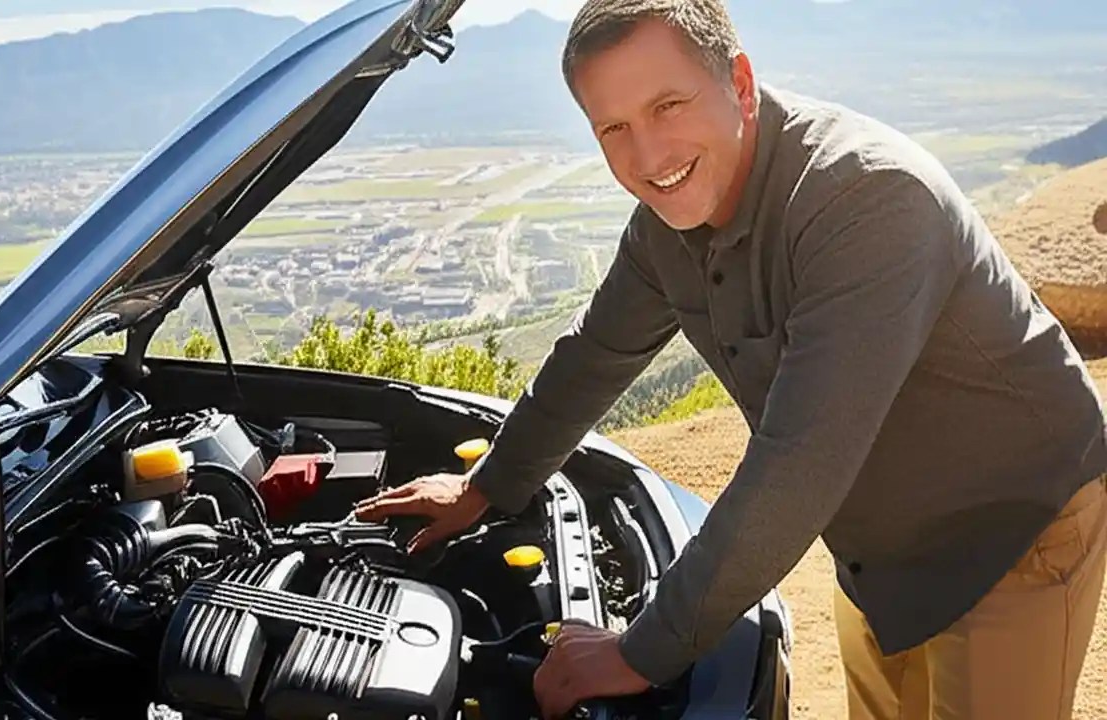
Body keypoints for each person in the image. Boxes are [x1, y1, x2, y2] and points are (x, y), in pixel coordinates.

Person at [354, 1, 1107, 718]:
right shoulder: (666, 223)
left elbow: (799, 462)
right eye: (613, 126)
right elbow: (594, 354)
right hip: (879, 544)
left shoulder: (867, 199)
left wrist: (642, 652)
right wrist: (487, 486)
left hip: (1012, 531)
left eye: (668, 106)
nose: (648, 156)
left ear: (738, 83)